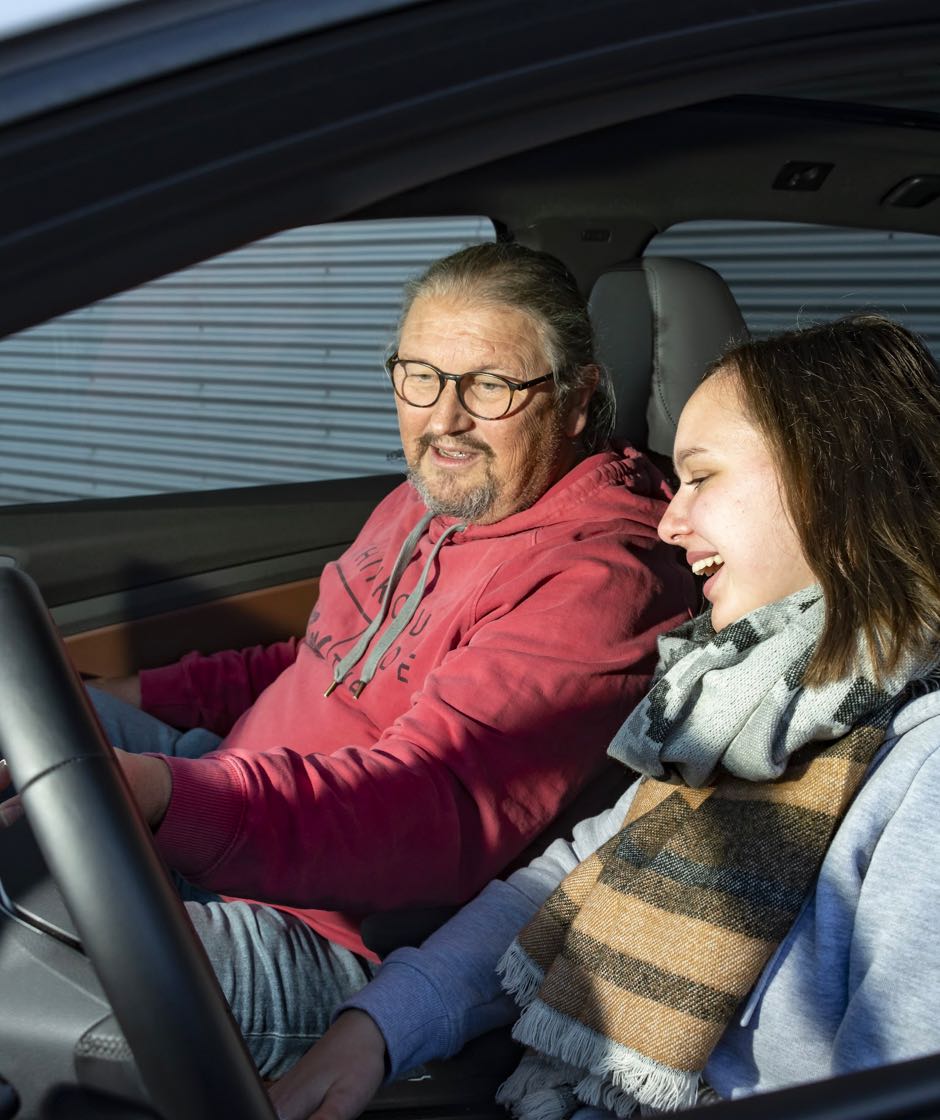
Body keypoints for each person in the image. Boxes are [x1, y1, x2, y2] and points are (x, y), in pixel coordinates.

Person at [0, 242, 695, 1078]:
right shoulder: (433, 498)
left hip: (330, 934)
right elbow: (319, 659)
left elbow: (424, 810)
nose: (444, 420)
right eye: (420, 377)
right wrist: (133, 695)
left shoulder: (598, 581)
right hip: (231, 791)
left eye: (489, 386)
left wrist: (166, 796)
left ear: (577, 399)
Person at [269, 313, 940, 1120]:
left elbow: (896, 1092)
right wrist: (376, 1027)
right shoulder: (732, 700)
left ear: (831, 482)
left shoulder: (920, 771)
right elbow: (563, 882)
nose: (670, 521)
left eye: (701, 477)